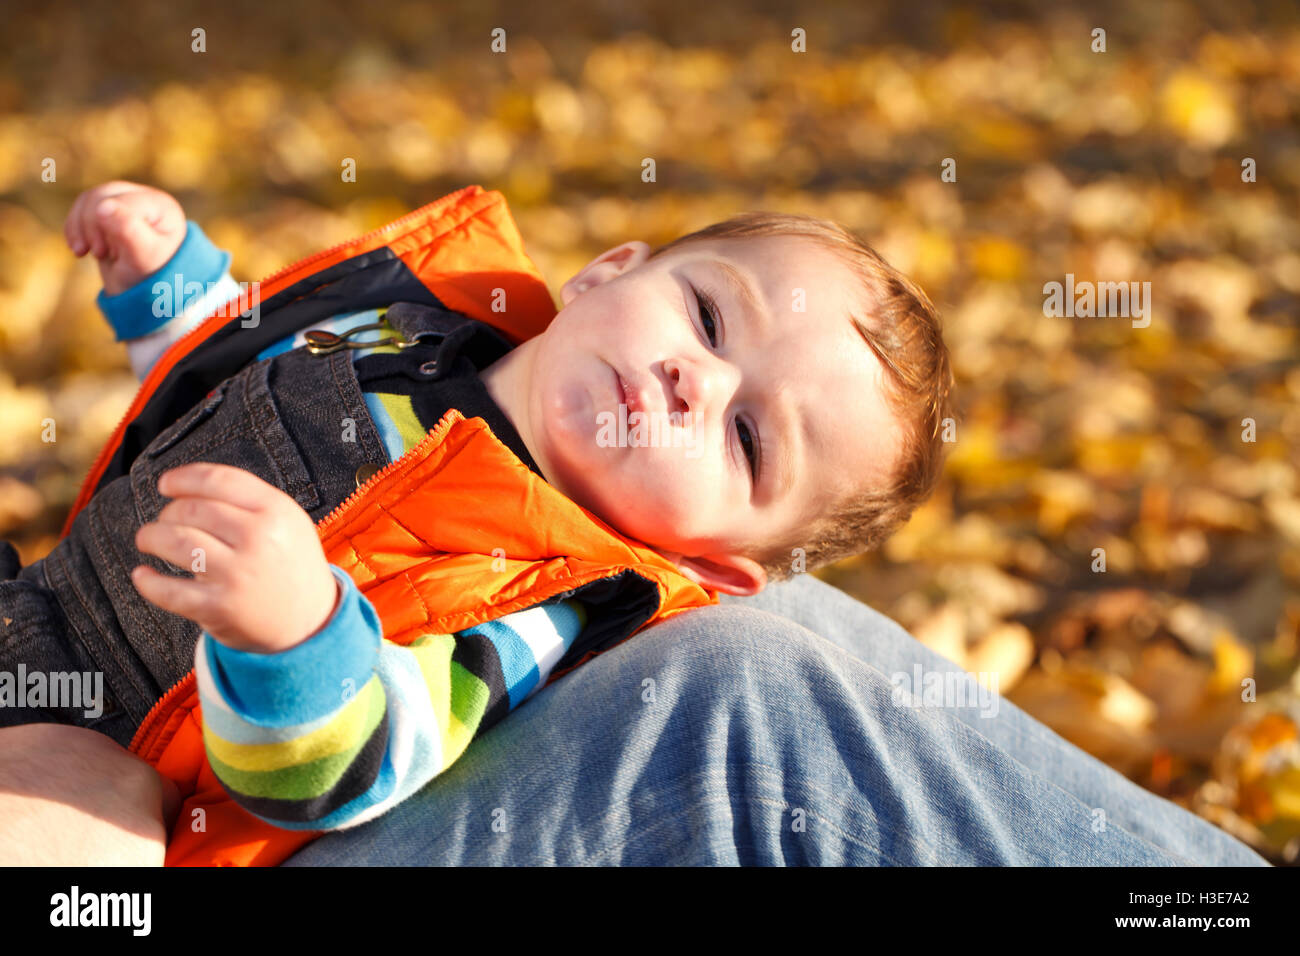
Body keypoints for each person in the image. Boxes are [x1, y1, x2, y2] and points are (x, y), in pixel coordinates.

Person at [0, 180, 953, 864]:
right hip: (31, 597)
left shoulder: (539, 598)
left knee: (82, 832)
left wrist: (294, 645)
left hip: (101, 741)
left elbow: (362, 761)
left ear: (713, 569)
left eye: (747, 438)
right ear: (605, 274)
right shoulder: (409, 324)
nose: (693, 380)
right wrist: (170, 290)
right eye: (707, 317)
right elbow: (226, 374)